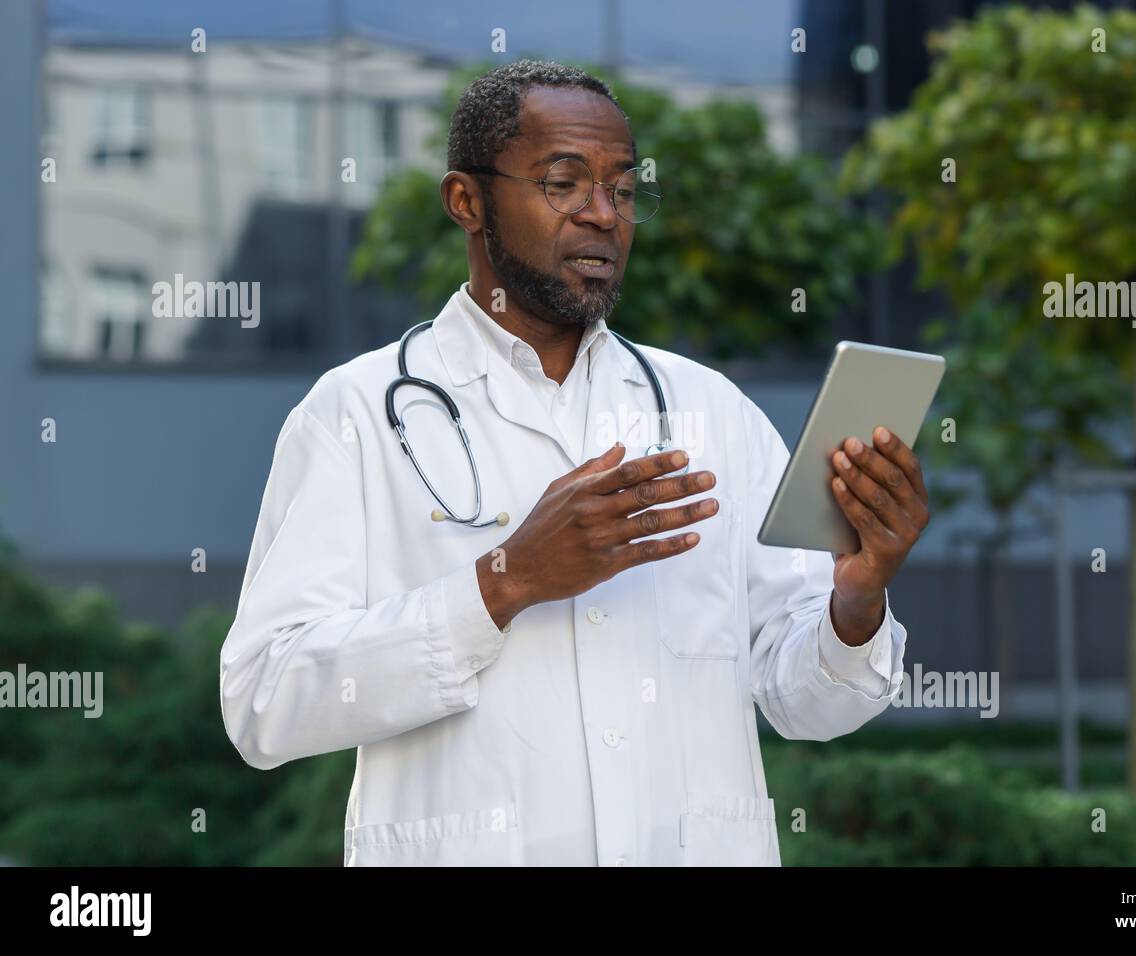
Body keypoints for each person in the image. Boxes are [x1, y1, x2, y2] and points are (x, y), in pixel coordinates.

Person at [219, 60, 931, 866]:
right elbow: (262, 702)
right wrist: (503, 582)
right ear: (467, 200)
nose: (604, 216)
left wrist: (859, 597)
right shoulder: (354, 414)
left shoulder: (712, 413)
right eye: (565, 183)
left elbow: (806, 702)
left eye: (623, 190)